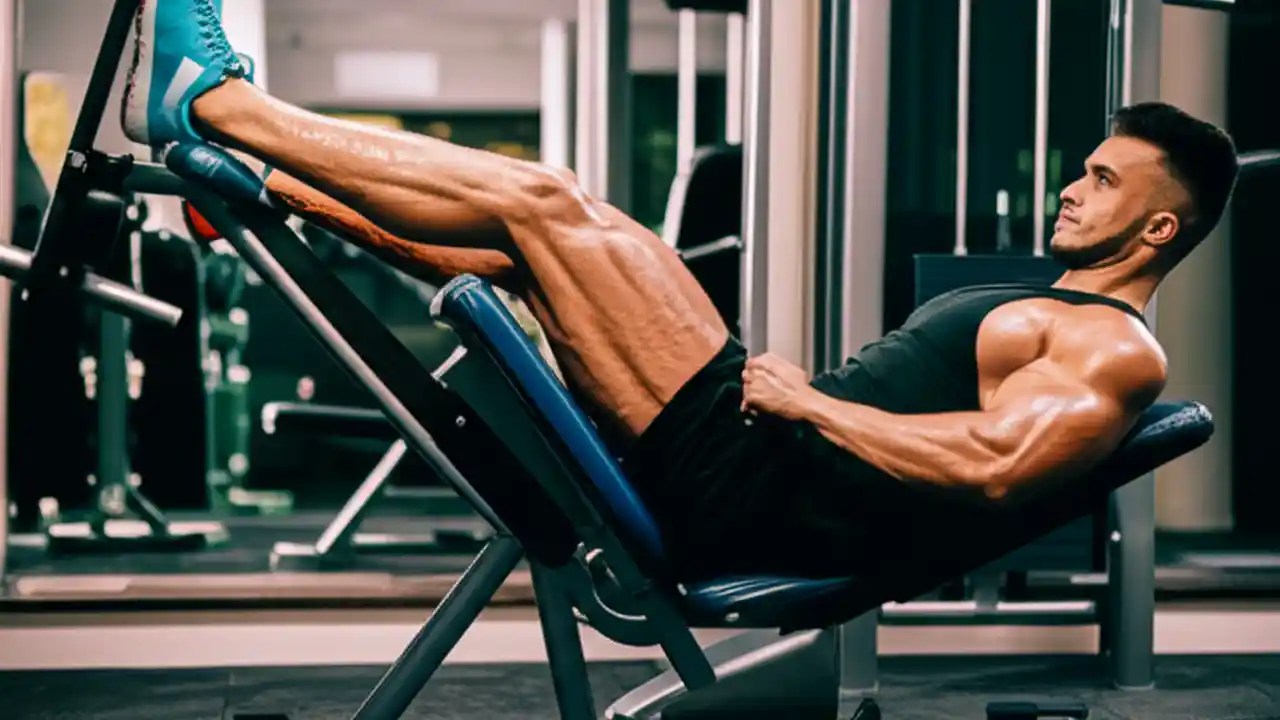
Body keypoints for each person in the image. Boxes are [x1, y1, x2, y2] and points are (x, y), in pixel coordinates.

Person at [124, 0, 1238, 581]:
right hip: (754, 457)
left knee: (547, 204)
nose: (1068, 186)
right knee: (522, 245)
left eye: (1100, 180)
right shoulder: (1060, 309)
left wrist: (810, 405)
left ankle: (216, 106)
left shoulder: (1117, 351)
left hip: (757, 480)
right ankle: (258, 173)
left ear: (1156, 225)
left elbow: (996, 471)